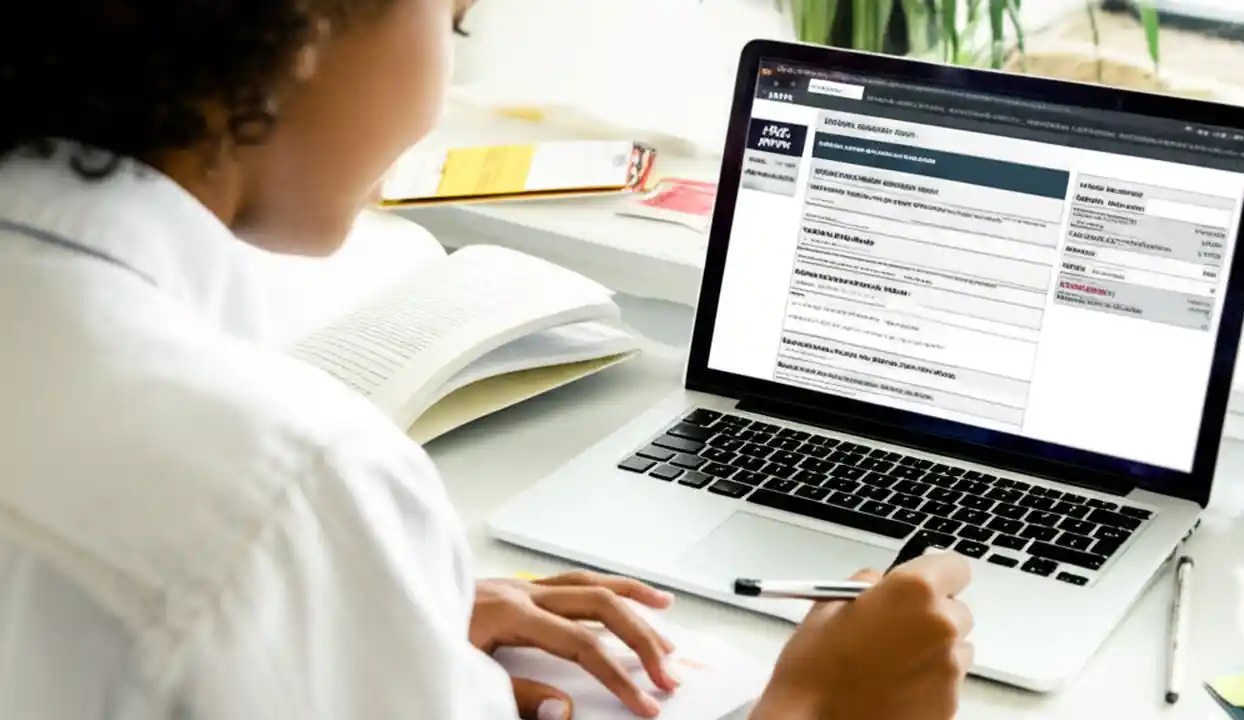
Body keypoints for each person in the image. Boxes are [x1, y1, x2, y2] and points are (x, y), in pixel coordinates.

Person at [0, 1, 974, 718]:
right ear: (299, 30)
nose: (446, 87)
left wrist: (355, 622)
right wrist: (816, 705)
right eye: (454, 26)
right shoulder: (283, 491)